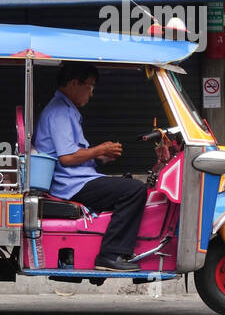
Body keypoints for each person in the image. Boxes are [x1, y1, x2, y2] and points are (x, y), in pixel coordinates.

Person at [32, 62, 147, 272]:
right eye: (90, 86)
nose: (91, 93)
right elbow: (67, 158)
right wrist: (98, 149)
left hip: (77, 179)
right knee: (134, 190)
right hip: (70, 184)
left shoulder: (67, 110)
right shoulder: (59, 112)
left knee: (129, 185)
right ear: (75, 83)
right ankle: (110, 255)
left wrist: (101, 156)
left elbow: (73, 153)